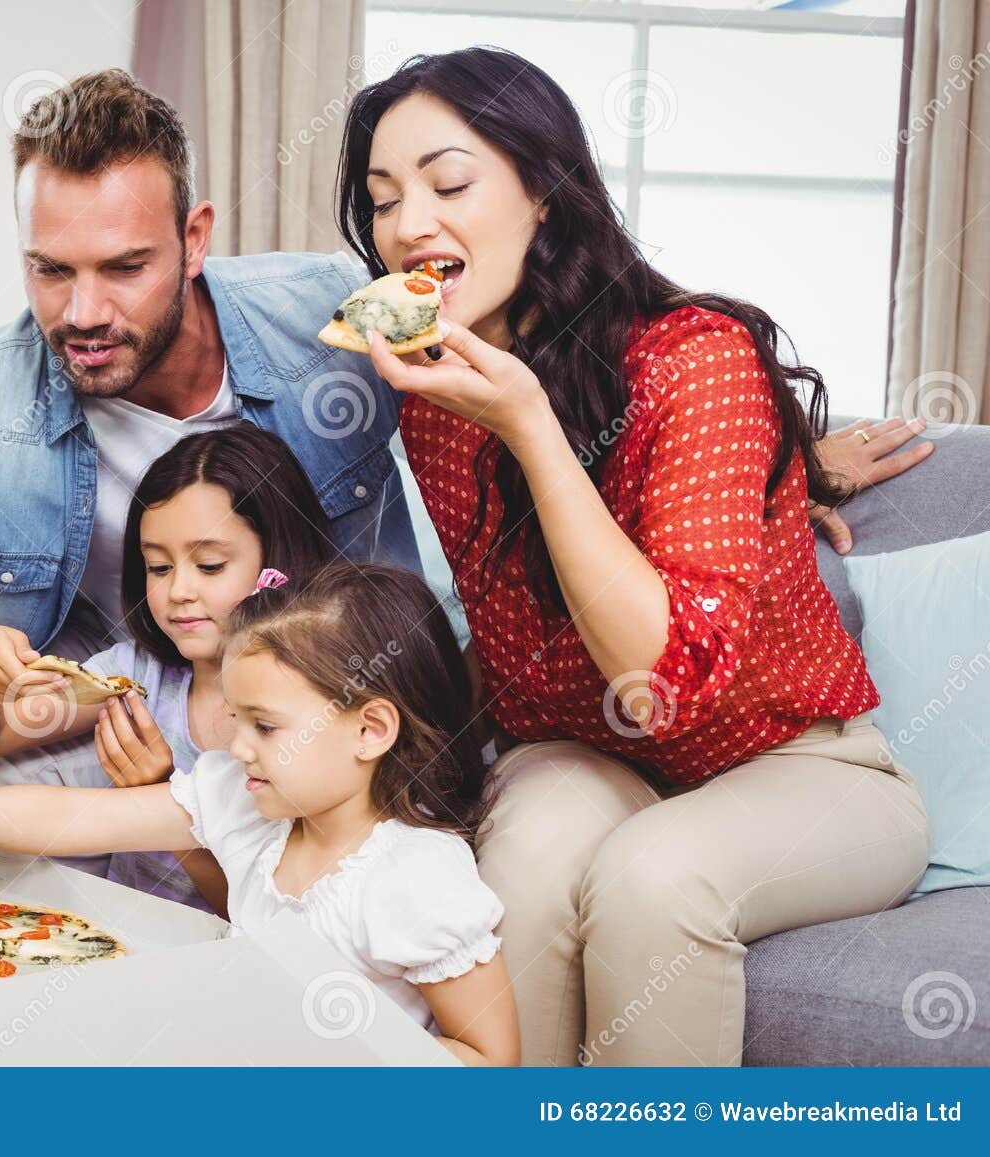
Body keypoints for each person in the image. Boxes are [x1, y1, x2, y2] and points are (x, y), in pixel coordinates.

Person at [335, 47, 930, 1065]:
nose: (405, 224)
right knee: (515, 867)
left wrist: (527, 423)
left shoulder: (695, 358)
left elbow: (666, 679)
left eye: (448, 182)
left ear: (546, 197)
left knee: (652, 878)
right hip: (582, 753)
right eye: (383, 199)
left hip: (800, 764)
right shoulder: (440, 391)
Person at [0, 70, 419, 898]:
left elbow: (500, 383)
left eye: (125, 267)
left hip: (302, 686)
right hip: (103, 678)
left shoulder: (324, 316)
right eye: (51, 270)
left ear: (194, 240)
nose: (84, 312)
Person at [0, 563, 521, 1066]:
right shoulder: (244, 803)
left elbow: (492, 1059)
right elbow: (68, 817)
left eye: (267, 727)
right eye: (236, 718)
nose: (235, 744)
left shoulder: (415, 877)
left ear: (370, 730)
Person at [0, 424, 334, 913]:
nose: (178, 592)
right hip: (126, 940)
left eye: (210, 565)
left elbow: (261, 915)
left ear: (280, 558)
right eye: (159, 567)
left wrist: (163, 796)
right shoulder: (136, 679)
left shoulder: (314, 714)